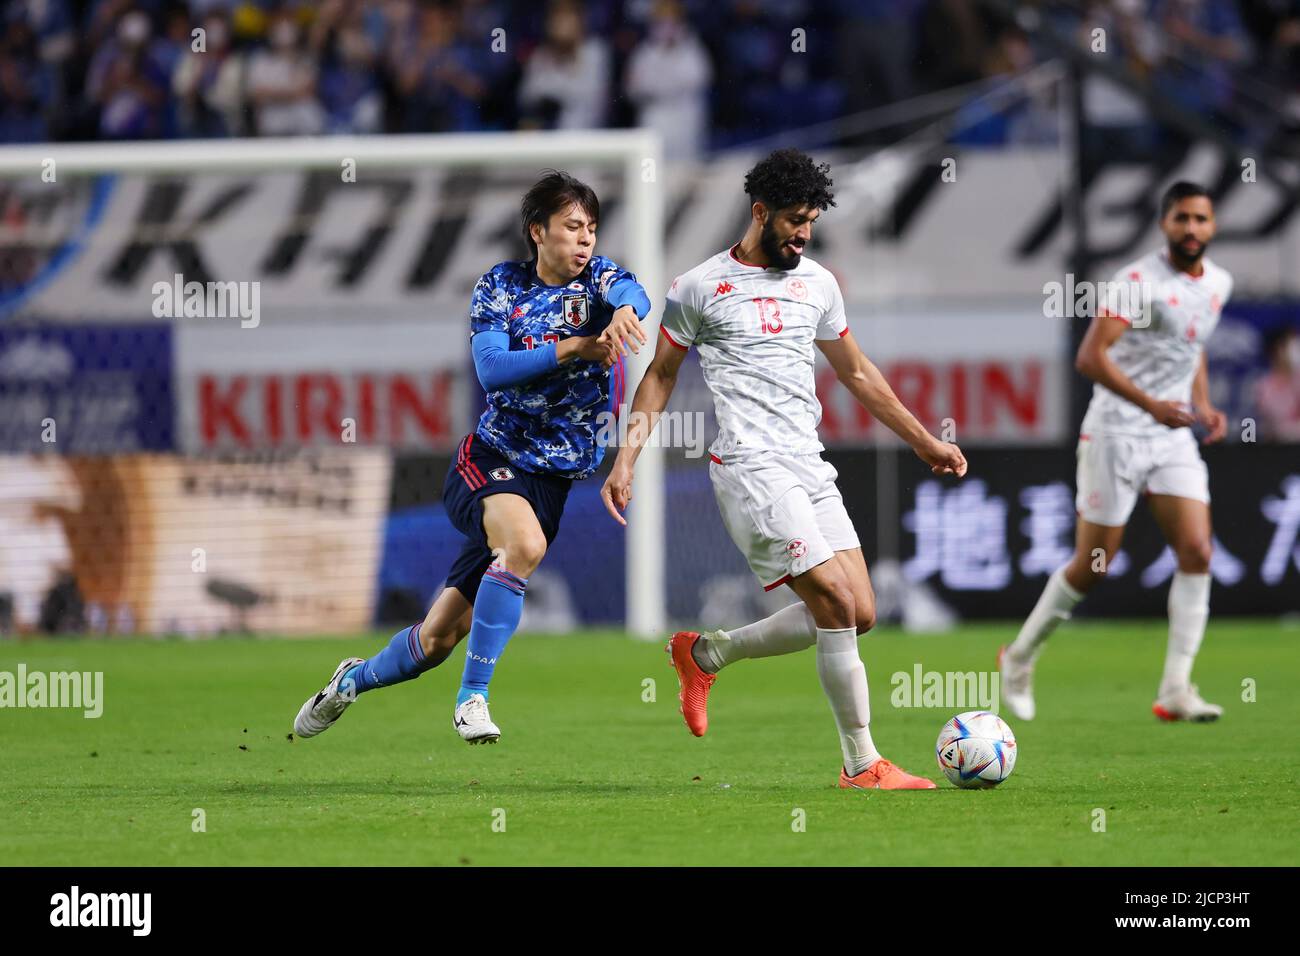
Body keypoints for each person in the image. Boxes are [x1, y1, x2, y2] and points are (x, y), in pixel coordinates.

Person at [602, 149, 968, 791]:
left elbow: (856, 372)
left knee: (860, 613)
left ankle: (705, 654)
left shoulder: (819, 284)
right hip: (749, 467)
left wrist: (922, 440)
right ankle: (862, 765)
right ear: (760, 211)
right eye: (795, 219)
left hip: (808, 465)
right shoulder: (699, 287)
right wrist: (626, 459)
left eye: (812, 222)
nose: (803, 233)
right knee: (830, 598)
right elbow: (659, 376)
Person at [294, 171, 650, 745]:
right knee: (525, 546)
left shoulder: (602, 283)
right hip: (489, 460)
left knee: (434, 643)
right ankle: (473, 699)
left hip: (552, 485)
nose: (585, 240)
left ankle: (349, 682)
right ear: (538, 231)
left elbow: (634, 292)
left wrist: (626, 312)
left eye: (591, 229)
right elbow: (492, 368)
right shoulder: (501, 287)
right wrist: (577, 346)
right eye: (572, 227)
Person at [1001, 181, 1232, 723]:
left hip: (1172, 433)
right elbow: (1090, 358)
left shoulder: (1219, 283)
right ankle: (1018, 657)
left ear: (1213, 225)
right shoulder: (1137, 282)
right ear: (1163, 224)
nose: (1192, 228)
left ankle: (1176, 687)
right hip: (1117, 431)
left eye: (1200, 219)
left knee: (1197, 551)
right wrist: (1153, 404)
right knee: (1094, 565)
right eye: (1181, 218)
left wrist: (1202, 402)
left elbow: (1190, 345)